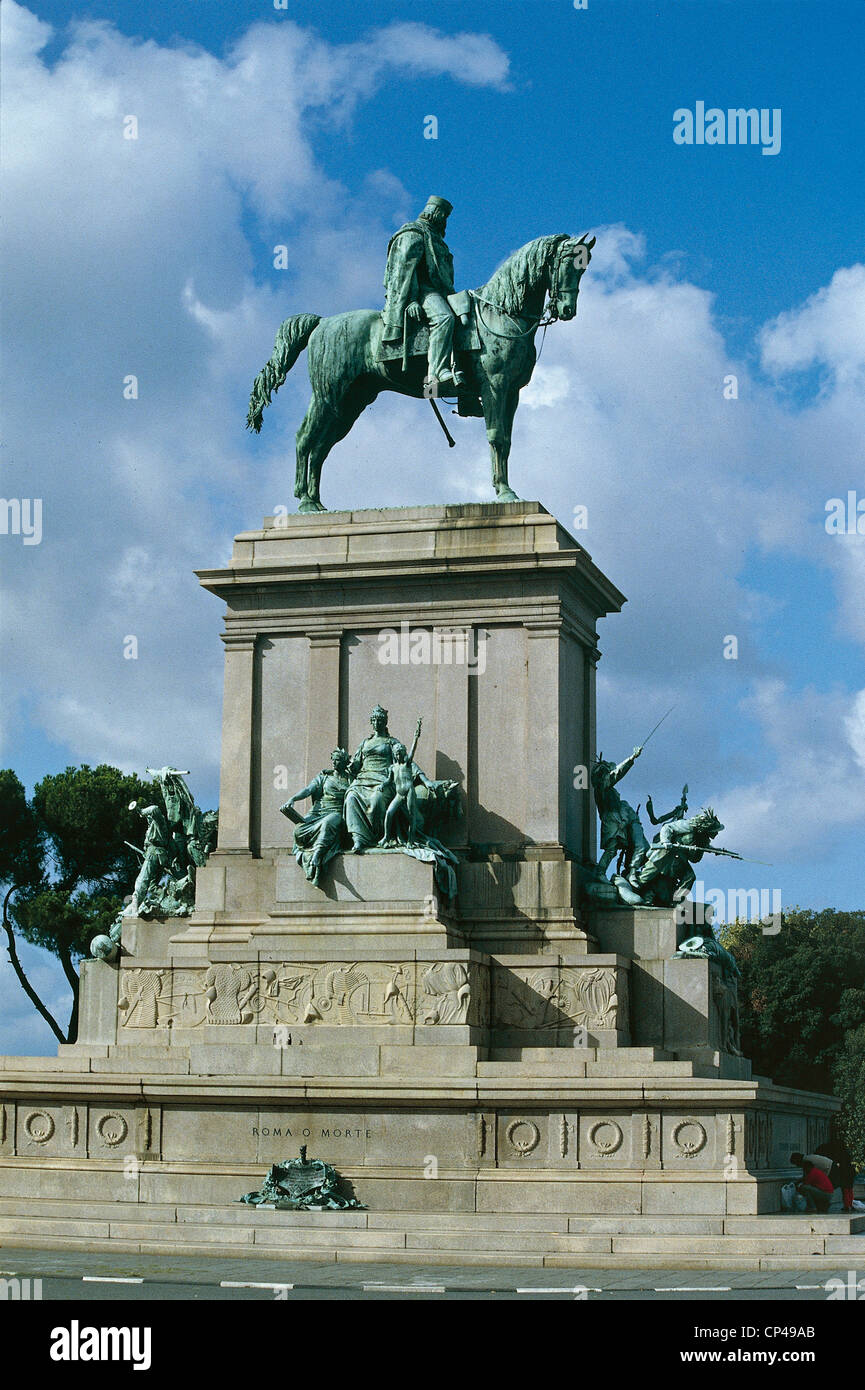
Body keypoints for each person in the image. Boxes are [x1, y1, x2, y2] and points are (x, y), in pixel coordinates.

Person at [381, 195, 465, 393]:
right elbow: (402, 272)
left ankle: (466, 395)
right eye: (443, 216)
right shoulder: (413, 233)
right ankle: (436, 373)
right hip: (422, 292)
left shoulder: (435, 238)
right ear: (436, 214)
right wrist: (411, 300)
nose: (445, 221)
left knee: (468, 320)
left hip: (441, 293)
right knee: (444, 317)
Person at [815, 1131, 857, 1214]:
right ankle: (850, 1204)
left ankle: (847, 1205)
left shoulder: (838, 1152)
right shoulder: (846, 1152)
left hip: (844, 1172)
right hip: (850, 1171)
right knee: (849, 1189)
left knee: (845, 1189)